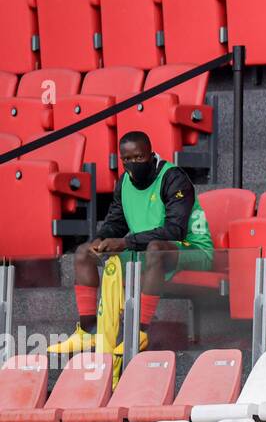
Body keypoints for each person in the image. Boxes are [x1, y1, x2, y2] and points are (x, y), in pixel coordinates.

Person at [48, 131, 213, 354]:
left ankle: (140, 333)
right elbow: (115, 221)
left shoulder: (174, 177)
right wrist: (101, 239)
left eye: (138, 157)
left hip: (192, 249)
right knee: (84, 252)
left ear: (150, 154)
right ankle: (88, 332)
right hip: (145, 248)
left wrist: (126, 242)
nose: (132, 163)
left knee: (156, 249)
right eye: (127, 159)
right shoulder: (124, 182)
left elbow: (175, 231)